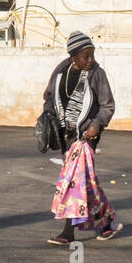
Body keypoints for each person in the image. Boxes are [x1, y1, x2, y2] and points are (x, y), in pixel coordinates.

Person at [43, 31, 122, 245]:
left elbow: (108, 105)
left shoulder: (97, 74)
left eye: (92, 55)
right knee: (85, 184)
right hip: (65, 136)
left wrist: (96, 125)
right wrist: (48, 116)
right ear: (73, 57)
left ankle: (68, 233)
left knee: (72, 184)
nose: (91, 60)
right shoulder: (61, 72)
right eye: (85, 56)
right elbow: (49, 97)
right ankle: (107, 224)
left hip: (86, 136)